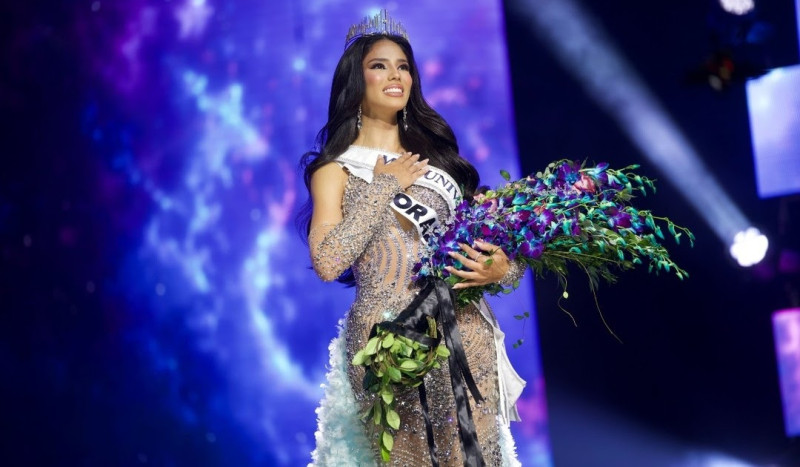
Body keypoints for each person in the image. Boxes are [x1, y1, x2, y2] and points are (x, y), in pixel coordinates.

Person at [300, 10, 525, 466]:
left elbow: (489, 243)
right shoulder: (335, 169)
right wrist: (383, 187)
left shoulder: (439, 162)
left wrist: (503, 267)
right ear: (354, 81)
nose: (395, 75)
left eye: (403, 66)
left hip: (465, 331)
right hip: (386, 338)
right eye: (379, 65)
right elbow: (327, 261)